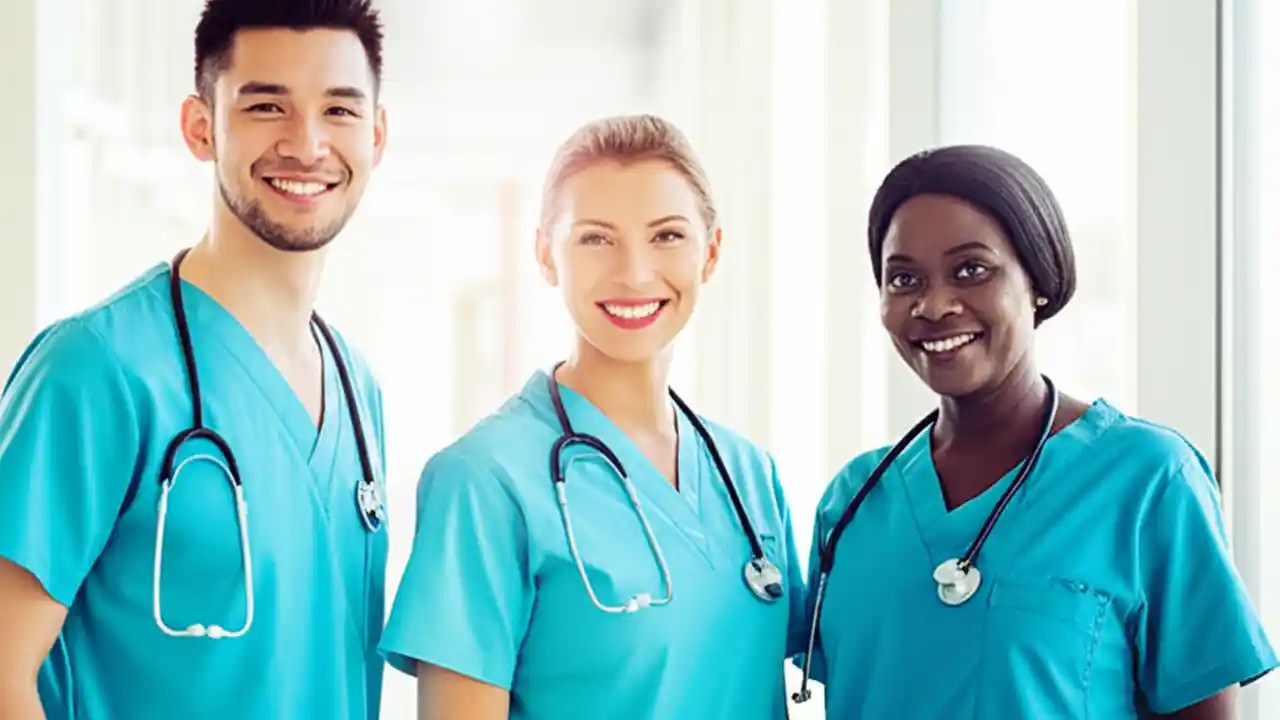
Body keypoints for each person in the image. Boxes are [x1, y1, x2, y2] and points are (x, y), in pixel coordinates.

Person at [0, 1, 390, 718]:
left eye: (338, 110)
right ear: (200, 126)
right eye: (266, 106)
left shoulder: (356, 389)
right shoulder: (96, 370)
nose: (306, 144)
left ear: (376, 134)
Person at [794, 144, 1278, 719]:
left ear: (1038, 280)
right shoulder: (854, 501)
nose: (934, 304)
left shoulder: (1148, 479)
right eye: (903, 279)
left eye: (971, 270)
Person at [379, 114, 808, 719]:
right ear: (546, 255)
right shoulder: (484, 481)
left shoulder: (749, 476)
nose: (634, 273)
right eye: (596, 239)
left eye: (667, 236)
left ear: (711, 253)